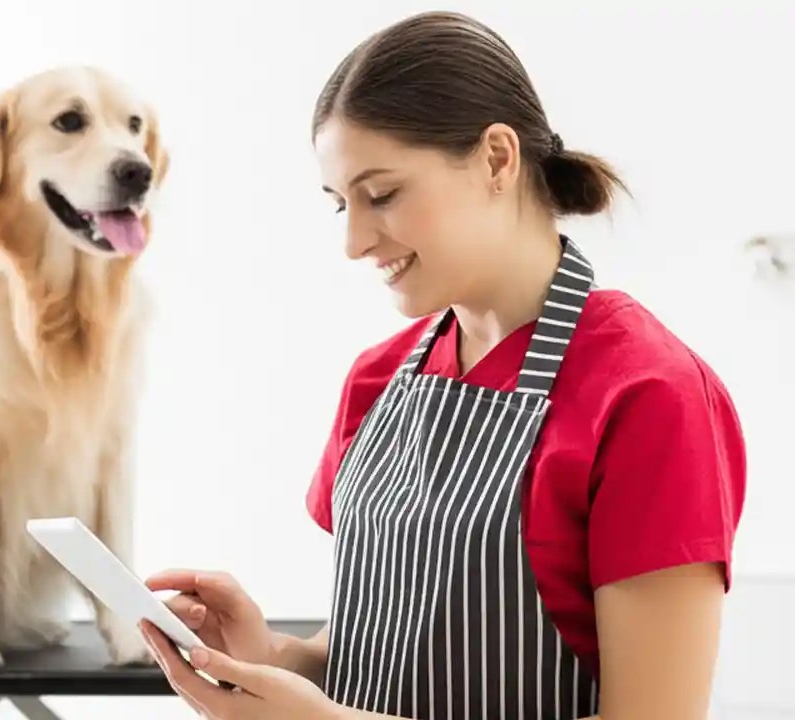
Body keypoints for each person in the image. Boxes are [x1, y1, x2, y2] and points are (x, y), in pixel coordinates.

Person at [138, 10, 745, 720]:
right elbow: (388, 648)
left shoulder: (648, 396)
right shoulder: (380, 381)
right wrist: (269, 657)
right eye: (340, 204)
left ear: (496, 158)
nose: (355, 242)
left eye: (383, 195)